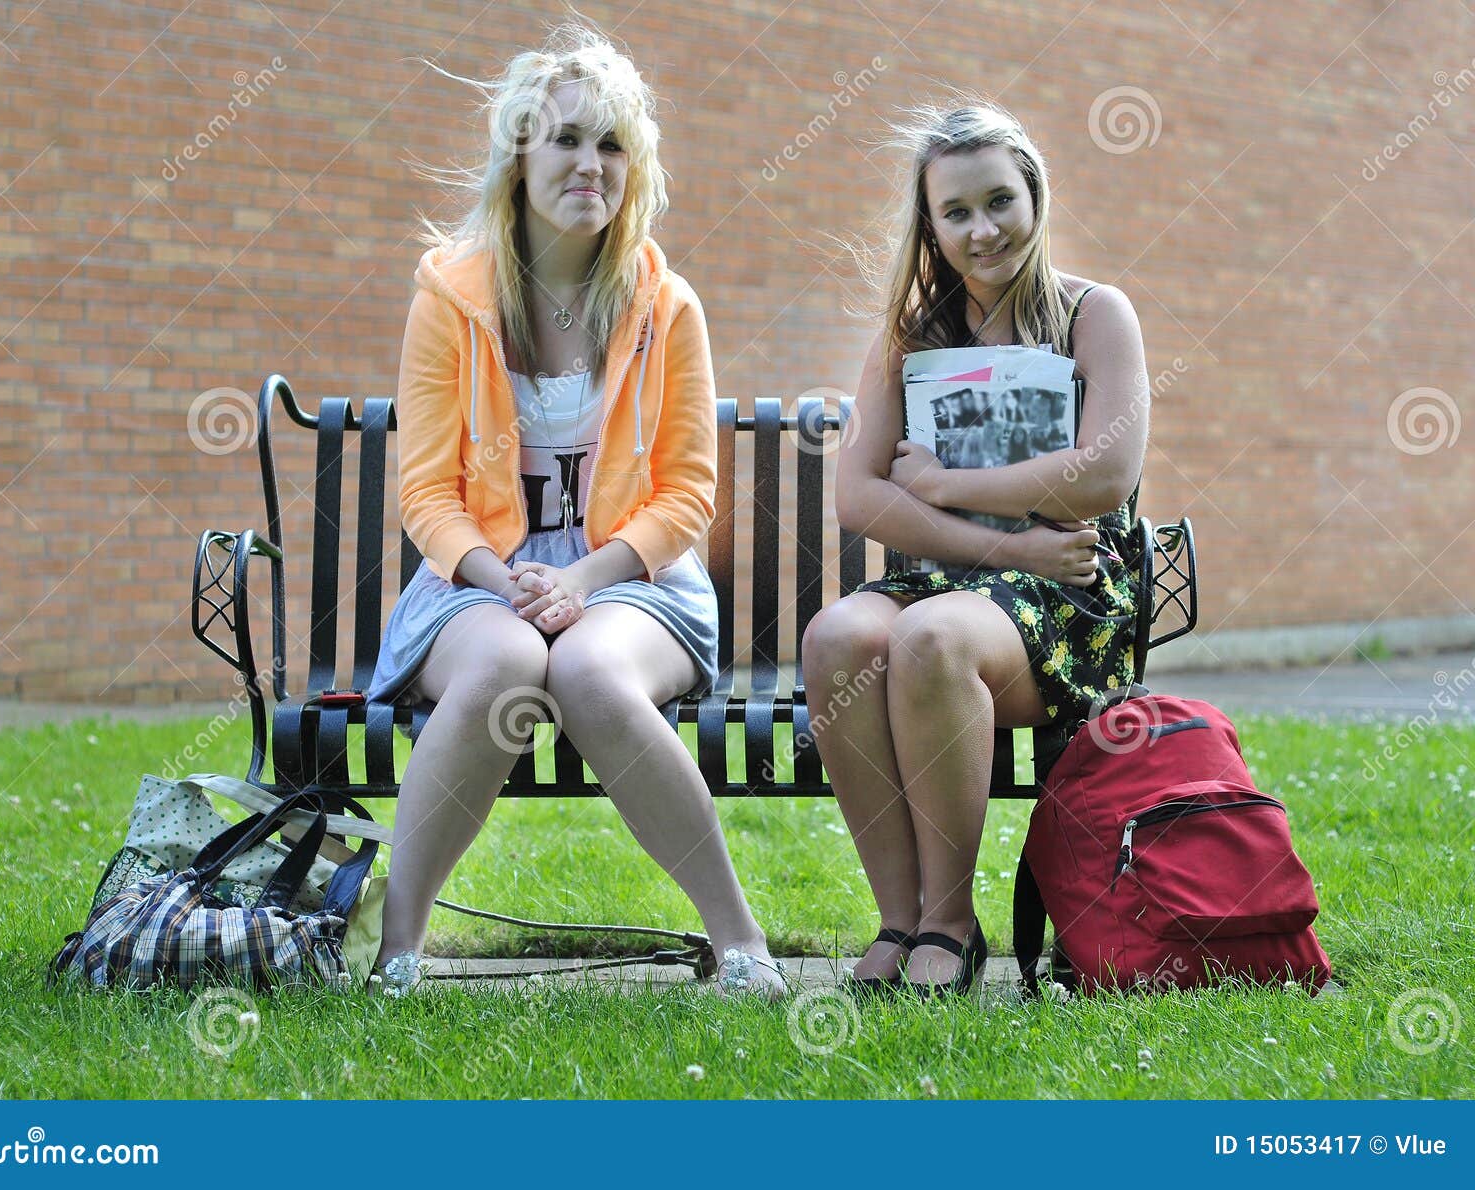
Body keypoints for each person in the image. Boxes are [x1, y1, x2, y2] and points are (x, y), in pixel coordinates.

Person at [367, 26, 784, 998]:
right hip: (478, 576)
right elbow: (427, 489)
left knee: (591, 671)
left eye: (610, 144)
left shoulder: (664, 304)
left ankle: (741, 949)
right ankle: (395, 955)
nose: (588, 164)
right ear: (518, 155)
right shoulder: (452, 296)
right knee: (510, 659)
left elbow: (687, 494)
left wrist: (583, 579)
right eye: (563, 140)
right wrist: (500, 578)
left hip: (631, 581)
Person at [801, 98, 1149, 997]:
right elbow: (859, 495)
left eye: (999, 201)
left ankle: (951, 926)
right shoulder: (915, 333)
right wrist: (1007, 548)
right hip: (963, 573)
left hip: (1063, 597)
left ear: (1034, 196)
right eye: (955, 212)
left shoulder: (1091, 313)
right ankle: (900, 914)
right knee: (838, 636)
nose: (981, 229)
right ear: (931, 224)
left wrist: (950, 483)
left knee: (936, 639)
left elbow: (1103, 476)